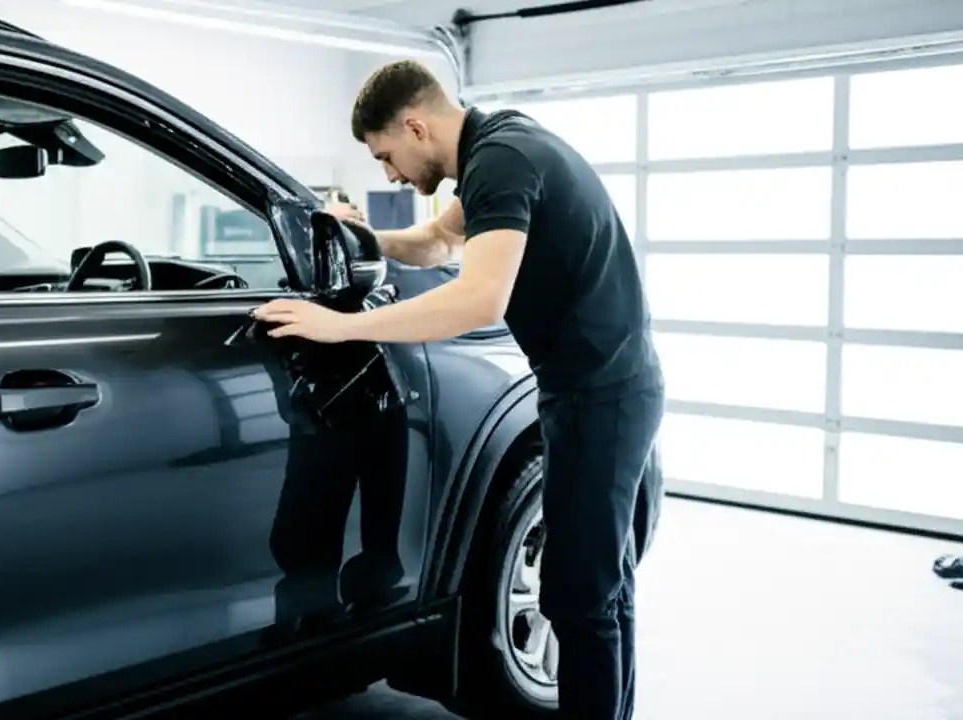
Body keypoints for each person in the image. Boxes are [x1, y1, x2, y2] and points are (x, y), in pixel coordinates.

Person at [252, 59, 665, 719]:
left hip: (601, 394)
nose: (389, 173)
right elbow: (438, 243)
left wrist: (341, 326)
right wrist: (360, 236)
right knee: (599, 589)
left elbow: (477, 299)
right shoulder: (498, 146)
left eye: (387, 155)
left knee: (579, 595)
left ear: (415, 125)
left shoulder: (501, 160)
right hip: (596, 386)